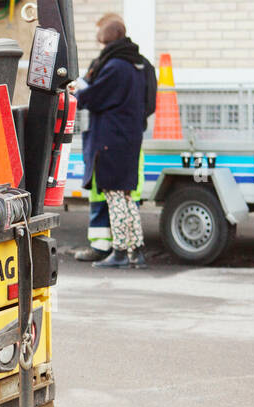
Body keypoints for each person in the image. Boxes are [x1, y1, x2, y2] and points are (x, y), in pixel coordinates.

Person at [74, 15, 154, 269]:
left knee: (115, 196)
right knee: (127, 197)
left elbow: (92, 97)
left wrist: (77, 91)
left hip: (110, 139)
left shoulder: (114, 67)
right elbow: (150, 103)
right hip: (131, 138)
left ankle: (119, 252)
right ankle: (136, 252)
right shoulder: (140, 65)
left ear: (106, 40)